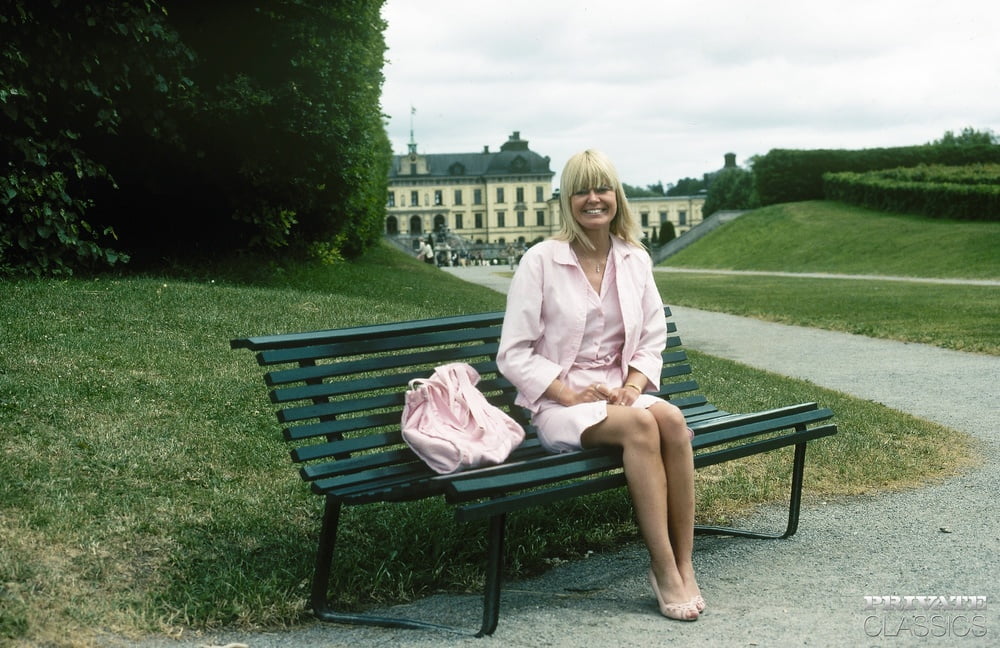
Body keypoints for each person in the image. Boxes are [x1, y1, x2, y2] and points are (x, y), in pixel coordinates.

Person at [496, 149, 703, 621]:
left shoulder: (634, 258)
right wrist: (567, 393)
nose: (593, 198)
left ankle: (685, 563)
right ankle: (663, 568)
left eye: (602, 188)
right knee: (641, 428)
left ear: (617, 196)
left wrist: (633, 386)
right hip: (560, 406)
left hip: (617, 396)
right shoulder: (541, 261)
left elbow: (652, 336)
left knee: (672, 419)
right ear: (566, 200)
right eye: (581, 190)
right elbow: (513, 352)